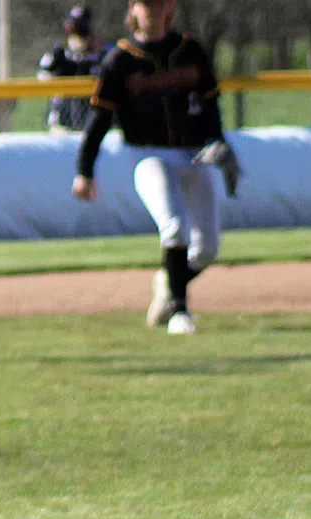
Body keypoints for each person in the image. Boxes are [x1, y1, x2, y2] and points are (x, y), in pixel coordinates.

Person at [70, 0, 238, 337]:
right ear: (133, 9)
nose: (153, 10)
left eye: (159, 3)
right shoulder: (120, 59)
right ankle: (179, 311)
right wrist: (85, 170)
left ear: (171, 7)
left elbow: (210, 105)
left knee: (207, 250)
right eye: (146, 4)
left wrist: (217, 141)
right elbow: (99, 119)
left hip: (194, 154)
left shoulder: (190, 50)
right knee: (174, 227)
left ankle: (168, 281)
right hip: (149, 156)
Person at [38, 7, 104, 135]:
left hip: (91, 124)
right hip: (61, 124)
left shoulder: (100, 57)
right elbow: (42, 76)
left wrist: (91, 55)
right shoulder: (59, 56)